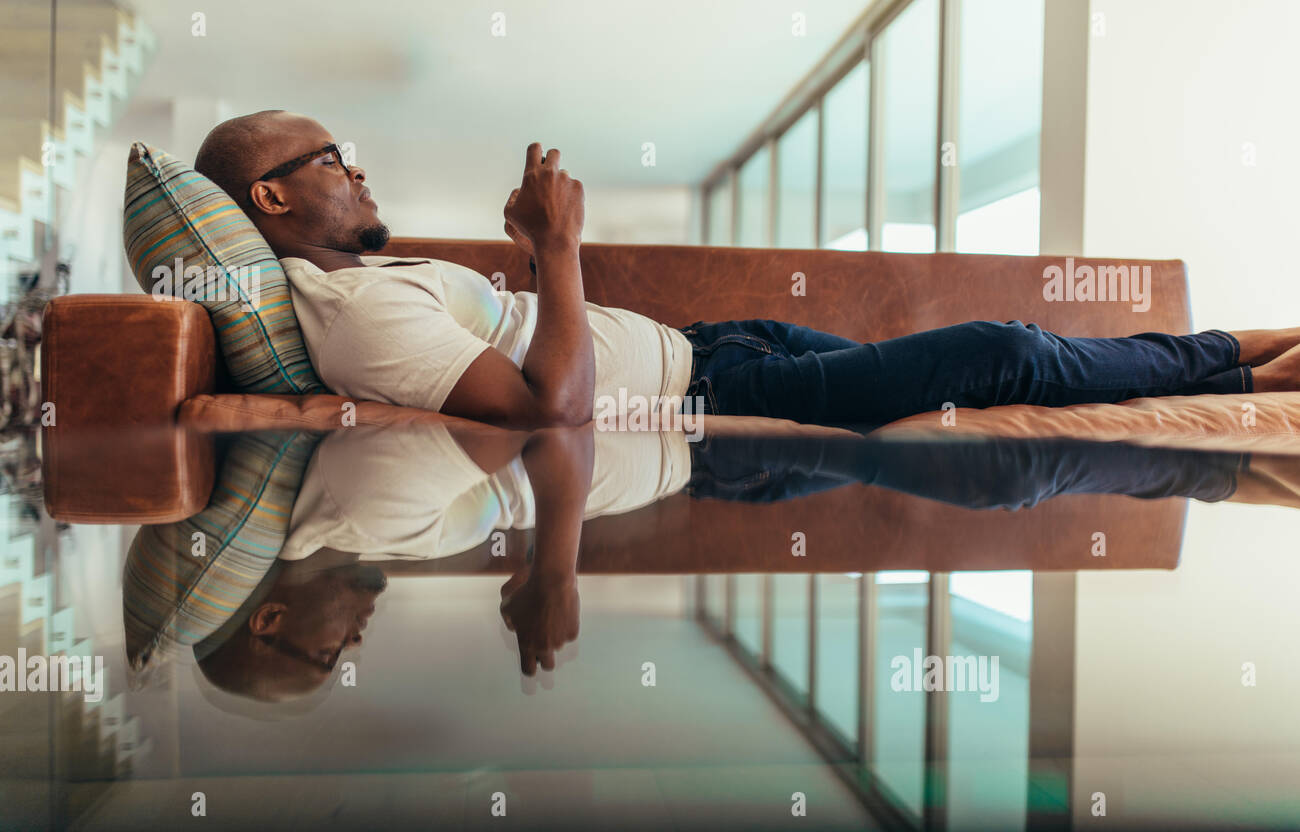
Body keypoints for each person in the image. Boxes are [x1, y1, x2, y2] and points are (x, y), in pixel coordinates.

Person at [195, 110, 1300, 430]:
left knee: (1003, 351)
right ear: (275, 197)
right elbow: (548, 409)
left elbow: (533, 344)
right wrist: (561, 252)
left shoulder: (372, 283)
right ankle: (1247, 378)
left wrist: (541, 259)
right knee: (1000, 350)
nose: (359, 167)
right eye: (332, 157)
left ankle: (1241, 351)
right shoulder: (346, 314)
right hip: (718, 401)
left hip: (716, 350)